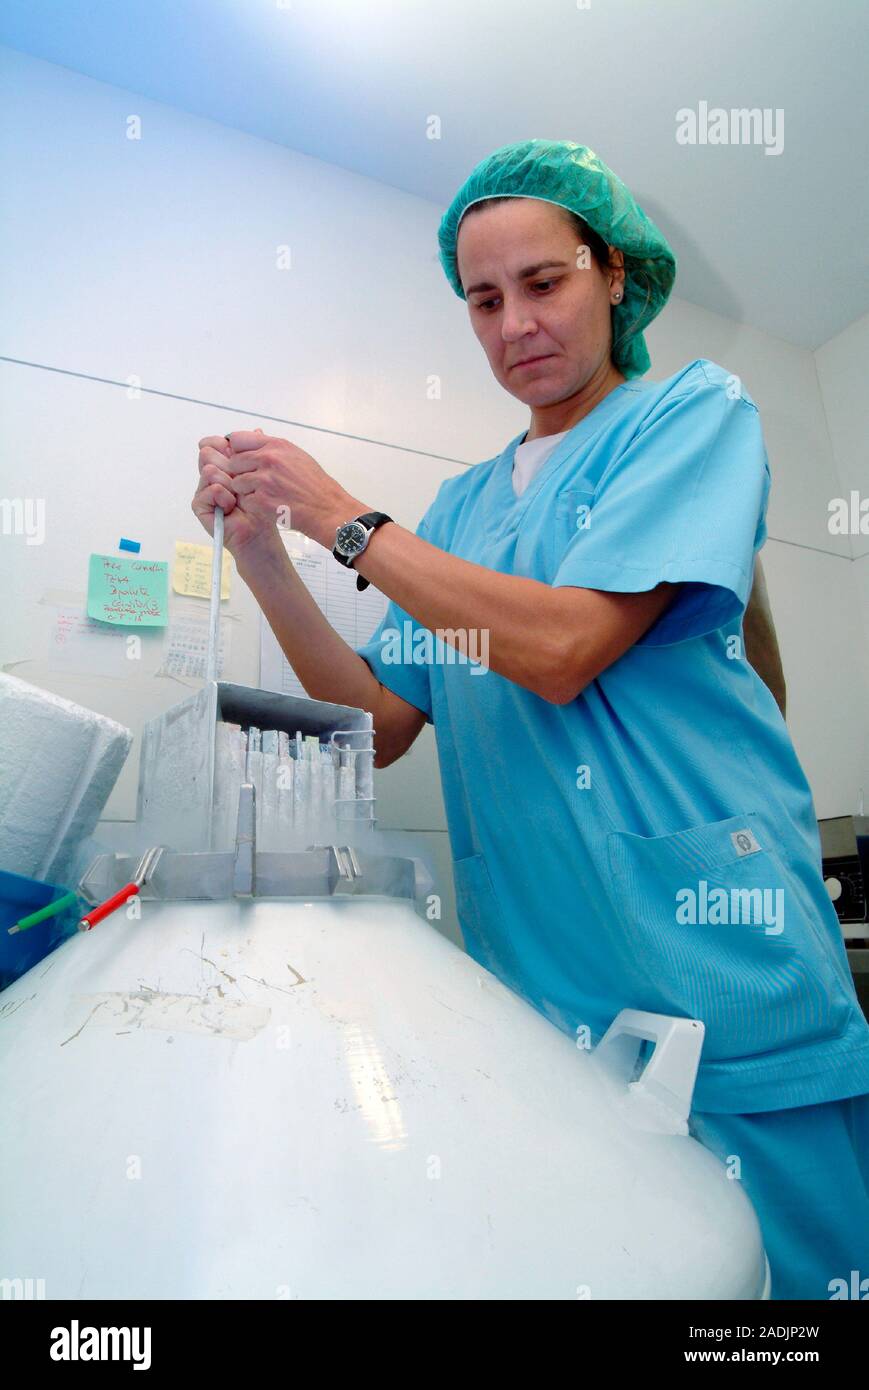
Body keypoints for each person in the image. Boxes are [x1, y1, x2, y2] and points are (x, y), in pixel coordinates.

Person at [193, 139, 868, 1299]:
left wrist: (345, 517)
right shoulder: (458, 508)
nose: (514, 325)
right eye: (483, 300)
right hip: (544, 996)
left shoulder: (690, 415)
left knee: (784, 1302)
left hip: (714, 967)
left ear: (613, 274)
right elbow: (374, 725)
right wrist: (264, 552)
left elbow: (560, 649)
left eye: (543, 283)